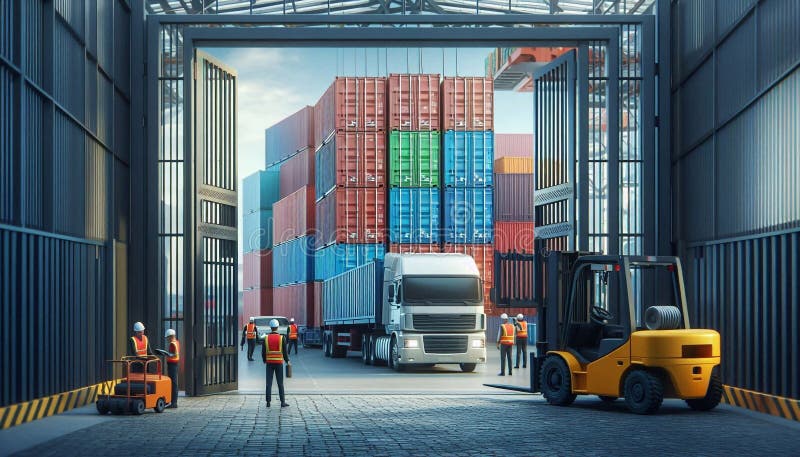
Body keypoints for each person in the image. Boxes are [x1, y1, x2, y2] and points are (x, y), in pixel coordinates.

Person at [261, 319, 290, 408]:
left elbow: (263, 352)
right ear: (277, 327)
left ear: (271, 327)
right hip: (279, 363)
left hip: (269, 363)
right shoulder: (282, 338)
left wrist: (265, 360)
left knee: (268, 383)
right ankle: (282, 402)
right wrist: (287, 360)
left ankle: (268, 402)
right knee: (280, 383)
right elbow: (285, 352)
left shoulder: (266, 338)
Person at [164, 329, 180, 408]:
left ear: (171, 336)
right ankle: (173, 401)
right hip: (174, 364)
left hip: (172, 364)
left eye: (168, 337)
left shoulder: (172, 344)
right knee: (174, 383)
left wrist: (166, 354)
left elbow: (173, 354)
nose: (167, 339)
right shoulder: (176, 342)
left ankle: (173, 402)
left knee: (173, 383)